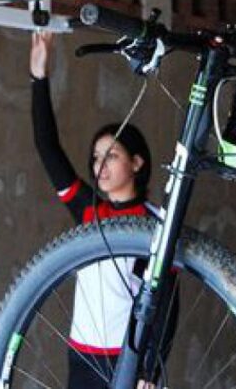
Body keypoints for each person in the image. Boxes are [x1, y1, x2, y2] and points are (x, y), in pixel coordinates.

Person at [29, 31, 159, 389]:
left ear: (136, 162)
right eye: (97, 157)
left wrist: (150, 369)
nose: (100, 165)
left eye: (112, 156)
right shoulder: (89, 211)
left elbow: (165, 306)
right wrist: (39, 78)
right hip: (81, 356)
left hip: (128, 360)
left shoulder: (153, 222)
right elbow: (47, 147)